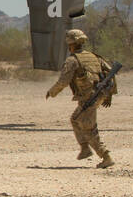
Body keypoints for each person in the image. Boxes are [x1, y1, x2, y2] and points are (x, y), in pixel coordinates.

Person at [46, 29, 115, 168]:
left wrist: (52, 91)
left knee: (89, 128)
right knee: (75, 119)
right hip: (98, 95)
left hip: (89, 97)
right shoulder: (95, 57)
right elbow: (111, 74)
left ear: (69, 43)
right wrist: (109, 95)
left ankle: (106, 156)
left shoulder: (72, 60)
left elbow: (63, 81)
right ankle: (85, 149)